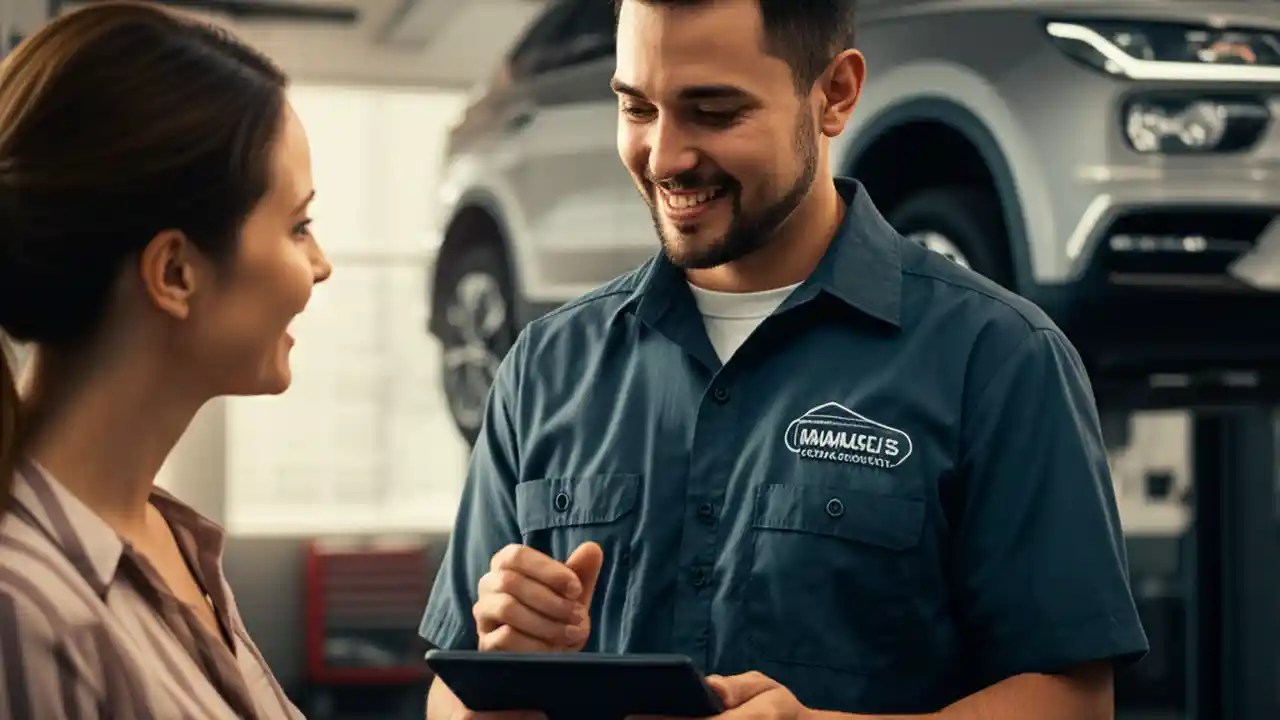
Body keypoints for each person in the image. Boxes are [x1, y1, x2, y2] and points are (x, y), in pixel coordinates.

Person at [420, 0, 1149, 717]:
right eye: (637, 108)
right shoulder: (545, 369)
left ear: (835, 93)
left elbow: (1074, 703)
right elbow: (450, 697)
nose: (664, 156)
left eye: (714, 111)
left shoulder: (999, 360)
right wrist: (502, 675)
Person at [0, 2, 331, 717]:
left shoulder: (174, 545)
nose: (321, 264)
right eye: (298, 226)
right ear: (175, 273)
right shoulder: (24, 615)